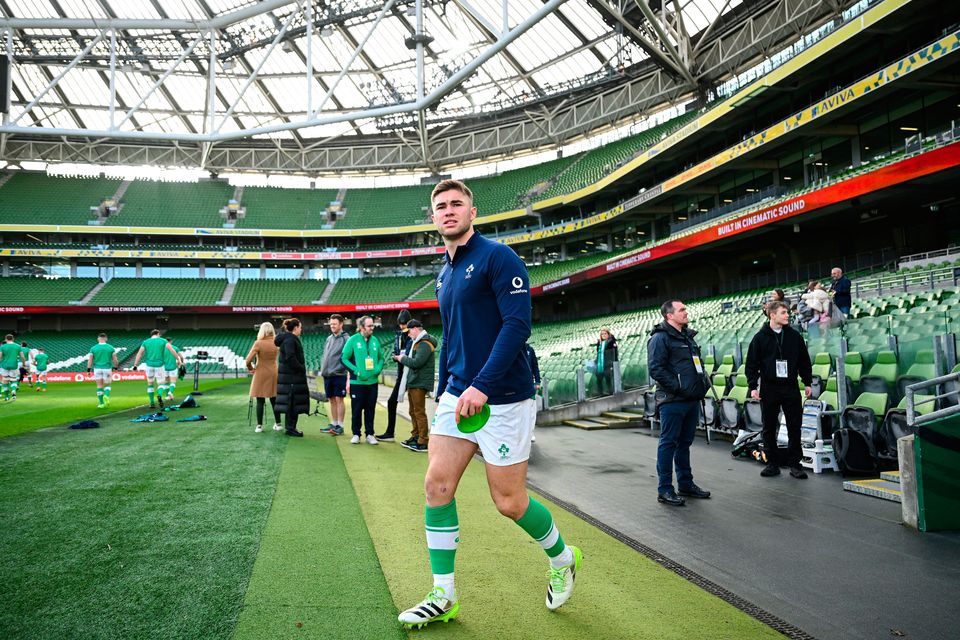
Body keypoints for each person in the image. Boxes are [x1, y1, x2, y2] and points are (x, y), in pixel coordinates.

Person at [397, 179, 581, 629]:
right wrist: (449, 388)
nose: (448, 211)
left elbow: (517, 326)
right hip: (457, 394)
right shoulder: (444, 271)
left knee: (509, 501)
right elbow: (457, 339)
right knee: (436, 486)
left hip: (503, 397)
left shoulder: (499, 257)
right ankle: (444, 594)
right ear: (433, 216)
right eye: (440, 206)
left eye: (456, 204)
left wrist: (481, 384)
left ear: (472, 212)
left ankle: (562, 558)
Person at [647, 300, 711, 507]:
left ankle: (685, 484)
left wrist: (701, 386)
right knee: (668, 443)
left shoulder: (688, 337)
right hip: (673, 400)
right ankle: (665, 489)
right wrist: (679, 387)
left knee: (684, 444)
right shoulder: (660, 338)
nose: (686, 312)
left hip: (691, 399)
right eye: (682, 309)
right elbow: (656, 369)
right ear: (669, 315)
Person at [745, 301, 814, 479]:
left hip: (790, 386)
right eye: (783, 312)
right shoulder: (760, 338)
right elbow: (752, 364)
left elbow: (804, 360)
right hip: (769, 387)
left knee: (794, 426)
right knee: (769, 426)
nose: (787, 315)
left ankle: (795, 464)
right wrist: (753, 386)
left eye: (787, 312)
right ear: (772, 315)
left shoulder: (794, 336)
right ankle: (772, 463)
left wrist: (807, 381)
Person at [341, 315, 384, 445]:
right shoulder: (353, 340)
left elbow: (381, 358)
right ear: (361, 327)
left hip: (372, 383)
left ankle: (370, 434)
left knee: (370, 409)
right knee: (357, 409)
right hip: (357, 383)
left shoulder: (375, 340)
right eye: (370, 326)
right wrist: (356, 371)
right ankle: (356, 434)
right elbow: (343, 358)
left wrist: (378, 369)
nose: (372, 328)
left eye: (373, 325)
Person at [395, 319, 437, 452]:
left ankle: (423, 440)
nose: (408, 335)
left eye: (409, 331)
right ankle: (416, 436)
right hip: (415, 381)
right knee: (413, 411)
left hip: (419, 382)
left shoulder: (424, 343)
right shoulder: (418, 342)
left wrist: (402, 359)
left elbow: (417, 362)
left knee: (419, 412)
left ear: (415, 329)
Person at [378, 309, 412, 442]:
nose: (402, 327)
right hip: (401, 373)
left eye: (404, 324)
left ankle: (418, 437)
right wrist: (395, 356)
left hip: (409, 374)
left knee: (414, 408)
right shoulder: (398, 335)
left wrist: (399, 357)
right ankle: (390, 433)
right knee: (392, 403)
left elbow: (408, 354)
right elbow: (396, 352)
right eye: (400, 324)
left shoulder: (412, 335)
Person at [275, 317, 309, 437]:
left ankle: (291, 427)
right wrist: (301, 368)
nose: (301, 329)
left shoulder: (288, 339)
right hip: (292, 378)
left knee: (292, 402)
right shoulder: (290, 340)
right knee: (292, 403)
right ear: (295, 328)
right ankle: (290, 428)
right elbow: (290, 358)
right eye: (300, 327)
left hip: (289, 377)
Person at [245, 322, 281, 434]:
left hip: (260, 372)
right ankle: (278, 424)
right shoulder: (276, 343)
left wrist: (250, 368)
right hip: (274, 372)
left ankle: (259, 426)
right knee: (274, 399)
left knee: (260, 400)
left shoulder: (258, 343)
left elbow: (248, 360)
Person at [133, 329, 181, 409]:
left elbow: (140, 353)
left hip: (149, 365)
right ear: (158, 334)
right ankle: (159, 395)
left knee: (150, 383)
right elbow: (172, 350)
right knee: (161, 383)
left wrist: (135, 365)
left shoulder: (146, 342)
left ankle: (152, 403)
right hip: (159, 365)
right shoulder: (163, 341)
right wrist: (178, 360)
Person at [320, 313, 350, 436]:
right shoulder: (329, 338)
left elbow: (348, 357)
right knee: (332, 399)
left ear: (341, 324)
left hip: (339, 374)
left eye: (334, 324)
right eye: (331, 324)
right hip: (328, 374)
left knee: (339, 399)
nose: (332, 326)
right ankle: (334, 423)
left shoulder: (347, 339)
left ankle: (340, 426)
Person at [87, 333, 119, 408]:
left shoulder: (93, 348)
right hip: (107, 368)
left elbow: (90, 360)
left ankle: (101, 404)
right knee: (107, 384)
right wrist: (115, 367)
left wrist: (88, 369)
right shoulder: (110, 348)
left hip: (97, 368)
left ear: (98, 339)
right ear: (106, 339)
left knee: (99, 386)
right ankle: (106, 396)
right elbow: (115, 359)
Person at [1, 334, 26, 402]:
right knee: (14, 380)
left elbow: (0, 356)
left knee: (5, 380)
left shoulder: (3, 346)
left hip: (4, 365)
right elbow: (22, 357)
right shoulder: (18, 346)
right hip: (14, 365)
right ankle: (14, 391)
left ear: (6, 339)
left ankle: (6, 397)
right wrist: (23, 364)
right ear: (13, 339)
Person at [593, 328, 618, 395]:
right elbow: (598, 354)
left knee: (608, 379)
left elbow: (615, 354)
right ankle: (600, 393)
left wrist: (613, 364)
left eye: (605, 333)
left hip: (608, 364)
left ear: (608, 334)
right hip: (601, 364)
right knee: (599, 380)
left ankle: (611, 393)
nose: (603, 335)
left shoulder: (611, 342)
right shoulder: (599, 343)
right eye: (602, 334)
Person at [525, 343, 541, 442]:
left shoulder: (530, 349)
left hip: (529, 385)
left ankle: (531, 433)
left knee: (531, 411)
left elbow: (535, 366)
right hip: (518, 386)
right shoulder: (512, 346)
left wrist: (537, 381)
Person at [162, 337, 183, 402]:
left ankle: (167, 396)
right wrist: (181, 362)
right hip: (173, 367)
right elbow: (181, 356)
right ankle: (170, 392)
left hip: (164, 367)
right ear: (171, 341)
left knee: (166, 382)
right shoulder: (175, 348)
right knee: (173, 381)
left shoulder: (162, 348)